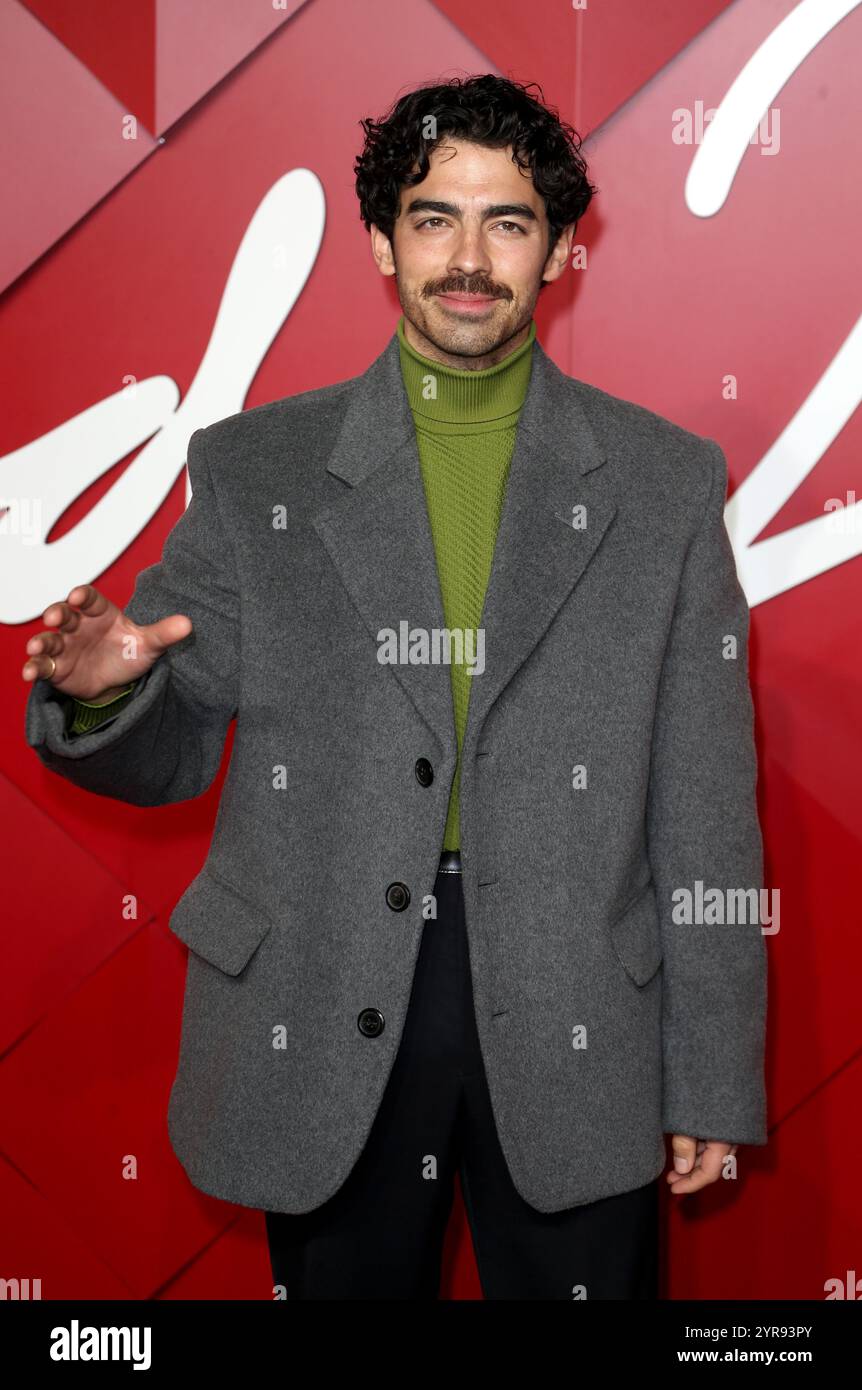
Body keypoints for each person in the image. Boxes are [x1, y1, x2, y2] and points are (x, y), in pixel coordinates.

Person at [22, 74, 767, 1300]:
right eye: (434, 217)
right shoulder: (256, 464)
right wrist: (110, 695)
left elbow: (706, 816)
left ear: (560, 246)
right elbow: (175, 751)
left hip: (579, 997)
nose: (468, 258)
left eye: (509, 222)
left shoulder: (666, 482)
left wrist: (711, 1071)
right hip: (324, 992)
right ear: (380, 238)